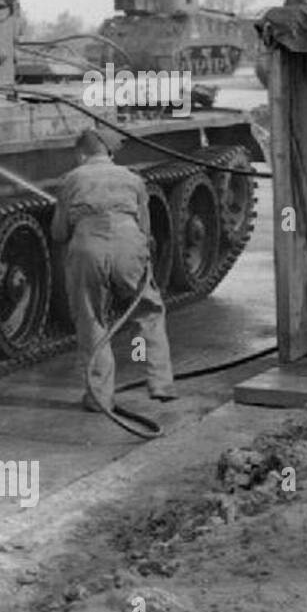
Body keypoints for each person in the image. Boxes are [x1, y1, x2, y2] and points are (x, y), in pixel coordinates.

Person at [51, 128, 176, 413]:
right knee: (149, 311)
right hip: (129, 244)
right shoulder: (133, 178)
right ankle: (161, 384)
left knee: (91, 319)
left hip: (88, 247)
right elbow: (145, 229)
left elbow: (58, 232)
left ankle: (99, 397)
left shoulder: (72, 178)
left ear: (81, 154)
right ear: (109, 153)